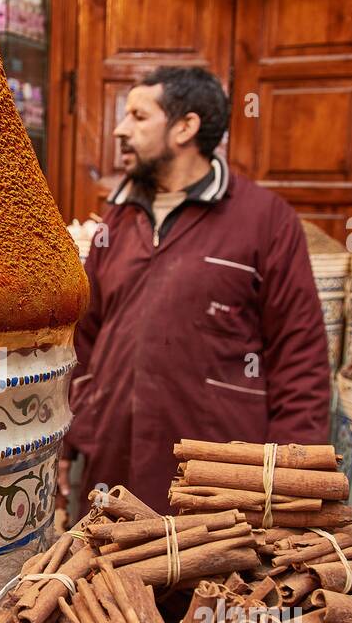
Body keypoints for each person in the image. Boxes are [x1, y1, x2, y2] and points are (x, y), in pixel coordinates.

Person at [61, 66, 330, 513]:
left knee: (209, 583)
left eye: (139, 117)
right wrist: (70, 434)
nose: (119, 129)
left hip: (216, 477)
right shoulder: (119, 217)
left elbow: (299, 355)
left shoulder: (264, 219)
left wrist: (291, 477)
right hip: (113, 464)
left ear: (186, 127)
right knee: (107, 582)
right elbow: (86, 336)